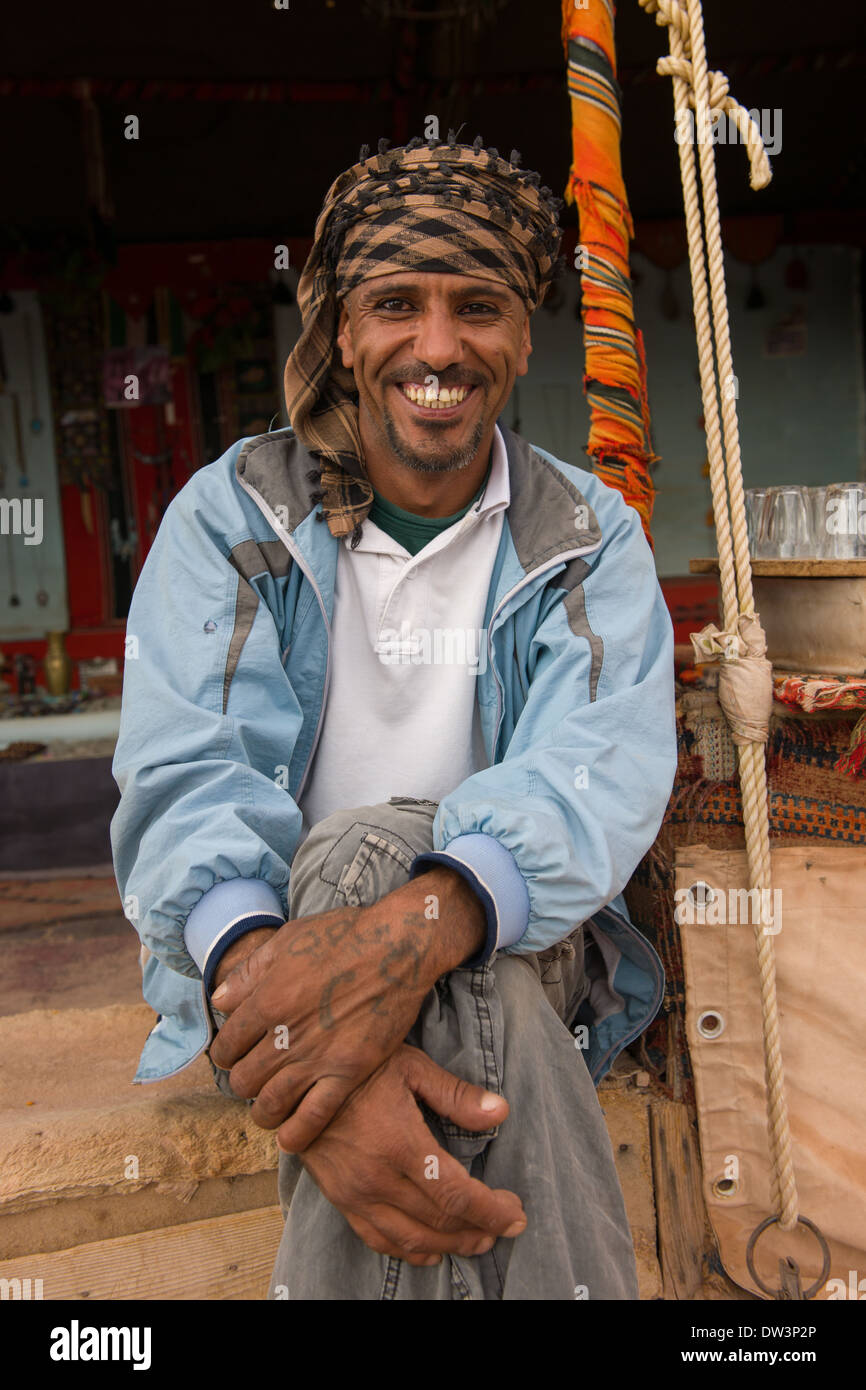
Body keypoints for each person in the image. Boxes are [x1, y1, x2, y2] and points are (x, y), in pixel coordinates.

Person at [111, 132, 677, 1301]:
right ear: (338, 330)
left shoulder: (586, 540)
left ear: (523, 334)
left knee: (382, 858)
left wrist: (429, 914)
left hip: (520, 934)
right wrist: (298, 1017)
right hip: (258, 954)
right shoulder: (233, 518)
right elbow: (184, 779)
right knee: (367, 874)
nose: (436, 347)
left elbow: (597, 768)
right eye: (394, 305)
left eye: (477, 307)